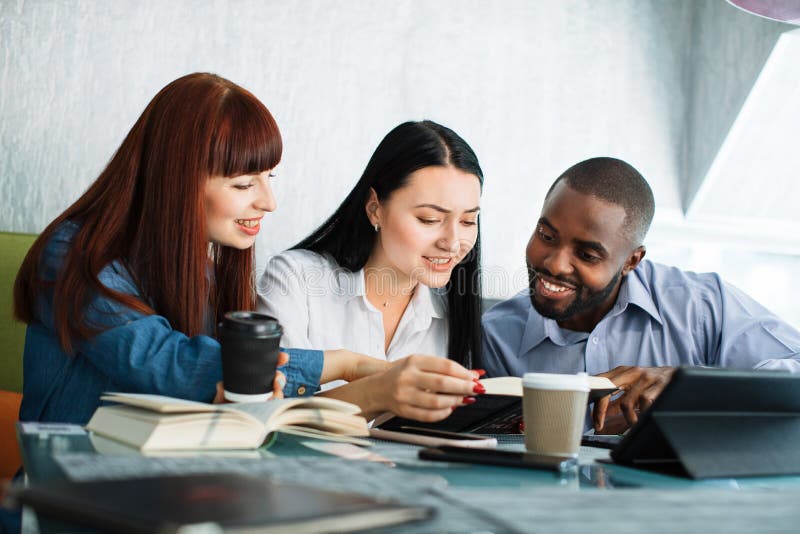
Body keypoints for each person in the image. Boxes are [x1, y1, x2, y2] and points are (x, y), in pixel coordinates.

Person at [13, 73, 462, 426]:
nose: (268, 201)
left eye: (270, 177)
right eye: (244, 183)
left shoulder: (201, 272)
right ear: (179, 182)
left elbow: (219, 399)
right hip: (70, 498)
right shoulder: (75, 254)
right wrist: (344, 363)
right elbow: (165, 364)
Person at [481, 157, 800, 433]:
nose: (554, 263)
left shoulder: (701, 306)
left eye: (588, 255)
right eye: (546, 235)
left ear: (631, 261)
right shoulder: (495, 337)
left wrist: (690, 385)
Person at [258, 120, 485, 420]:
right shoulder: (295, 280)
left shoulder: (452, 311)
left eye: (468, 221)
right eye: (429, 219)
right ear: (375, 208)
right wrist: (379, 392)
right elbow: (268, 413)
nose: (453, 243)